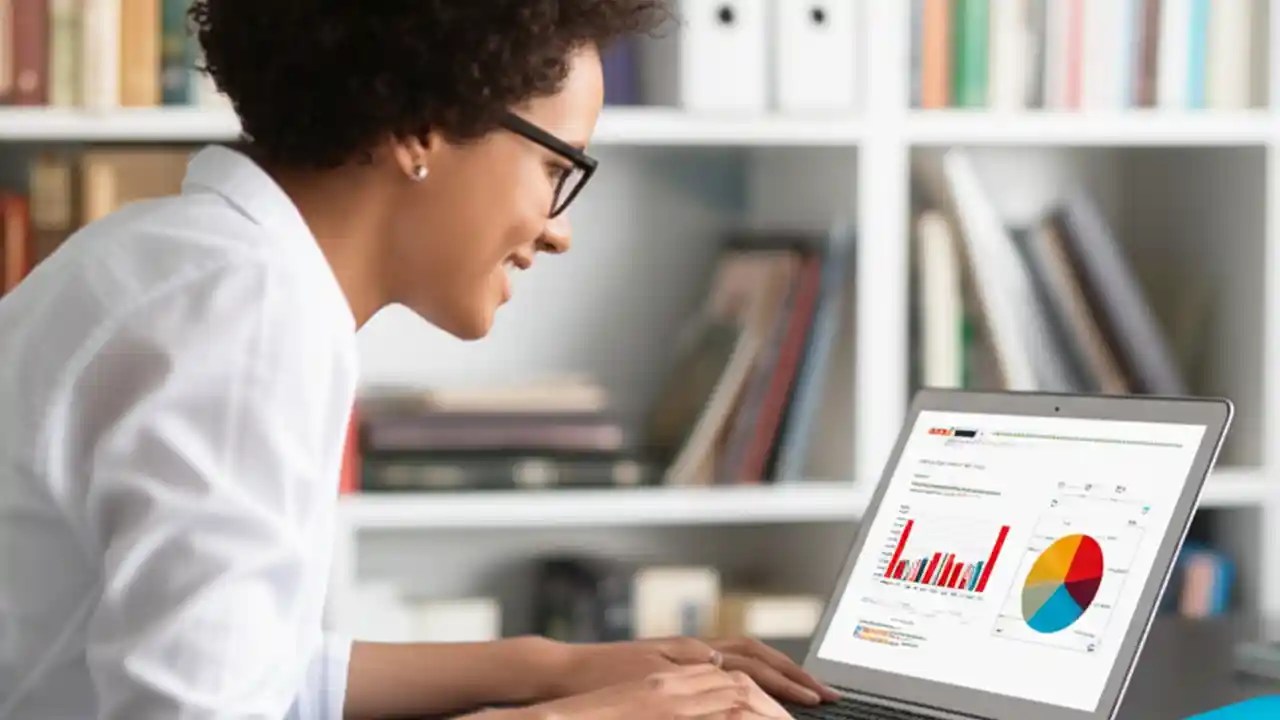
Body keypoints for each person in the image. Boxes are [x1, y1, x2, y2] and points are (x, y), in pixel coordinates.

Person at [0, 2, 842, 718]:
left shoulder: (178, 257)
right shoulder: (251, 316)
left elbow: (261, 671)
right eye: (556, 166)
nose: (558, 227)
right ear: (420, 128)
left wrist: (559, 668)